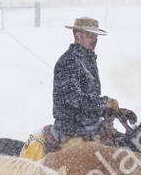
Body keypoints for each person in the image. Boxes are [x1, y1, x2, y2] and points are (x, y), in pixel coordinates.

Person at [49, 16, 136, 146]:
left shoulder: (87, 60)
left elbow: (88, 103)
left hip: (89, 127)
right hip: (72, 130)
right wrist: (104, 103)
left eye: (96, 36)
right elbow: (74, 100)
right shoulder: (68, 61)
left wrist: (114, 111)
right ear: (78, 36)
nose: (95, 40)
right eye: (90, 36)